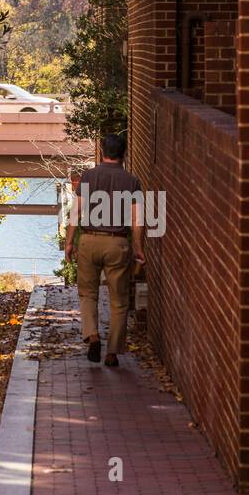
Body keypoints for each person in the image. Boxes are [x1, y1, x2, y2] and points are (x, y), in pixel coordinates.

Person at [64, 133, 146, 367]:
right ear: (124, 154)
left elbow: (75, 213)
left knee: (88, 293)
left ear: (102, 152)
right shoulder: (132, 181)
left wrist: (70, 242)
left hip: (89, 240)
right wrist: (138, 248)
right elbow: (136, 219)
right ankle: (112, 352)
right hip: (117, 242)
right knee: (119, 300)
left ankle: (93, 335)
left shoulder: (88, 177)